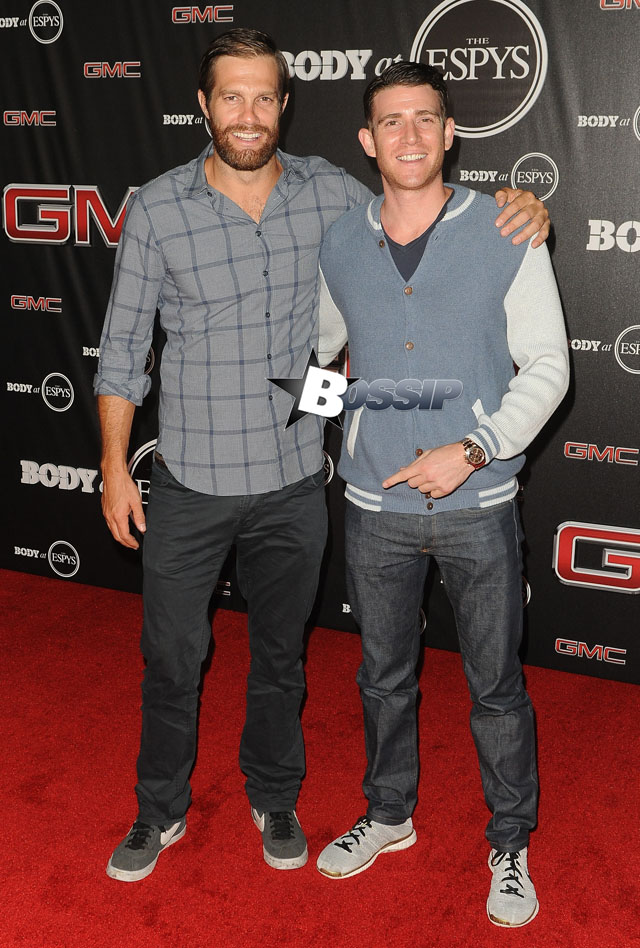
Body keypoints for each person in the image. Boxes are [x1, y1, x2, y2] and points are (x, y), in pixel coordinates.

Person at [94, 29, 551, 883]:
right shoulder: (159, 206)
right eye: (231, 96)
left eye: (264, 96)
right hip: (191, 481)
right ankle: (160, 812)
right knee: (174, 657)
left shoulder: (331, 199)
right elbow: (127, 350)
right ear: (203, 106)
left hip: (298, 485)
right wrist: (118, 466)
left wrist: (525, 208)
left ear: (285, 105)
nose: (249, 113)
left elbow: (360, 320)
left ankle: (283, 796)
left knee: (282, 659)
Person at [315, 61, 569, 928]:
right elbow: (322, 355)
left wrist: (474, 447)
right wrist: (334, 421)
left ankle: (510, 841)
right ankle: (390, 816)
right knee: (383, 681)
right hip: (373, 510)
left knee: (496, 687)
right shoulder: (342, 241)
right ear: (367, 140)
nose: (410, 136)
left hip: (481, 505)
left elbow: (549, 366)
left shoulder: (505, 227)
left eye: (426, 119)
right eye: (391, 122)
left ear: (451, 130)